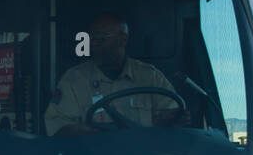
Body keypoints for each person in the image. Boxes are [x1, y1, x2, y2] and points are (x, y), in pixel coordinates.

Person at [44, 12, 182, 137]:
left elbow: (174, 118)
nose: (93, 44)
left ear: (123, 40)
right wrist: (82, 132)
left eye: (101, 39)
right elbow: (58, 129)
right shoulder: (73, 80)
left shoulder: (150, 77)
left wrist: (172, 119)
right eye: (91, 39)